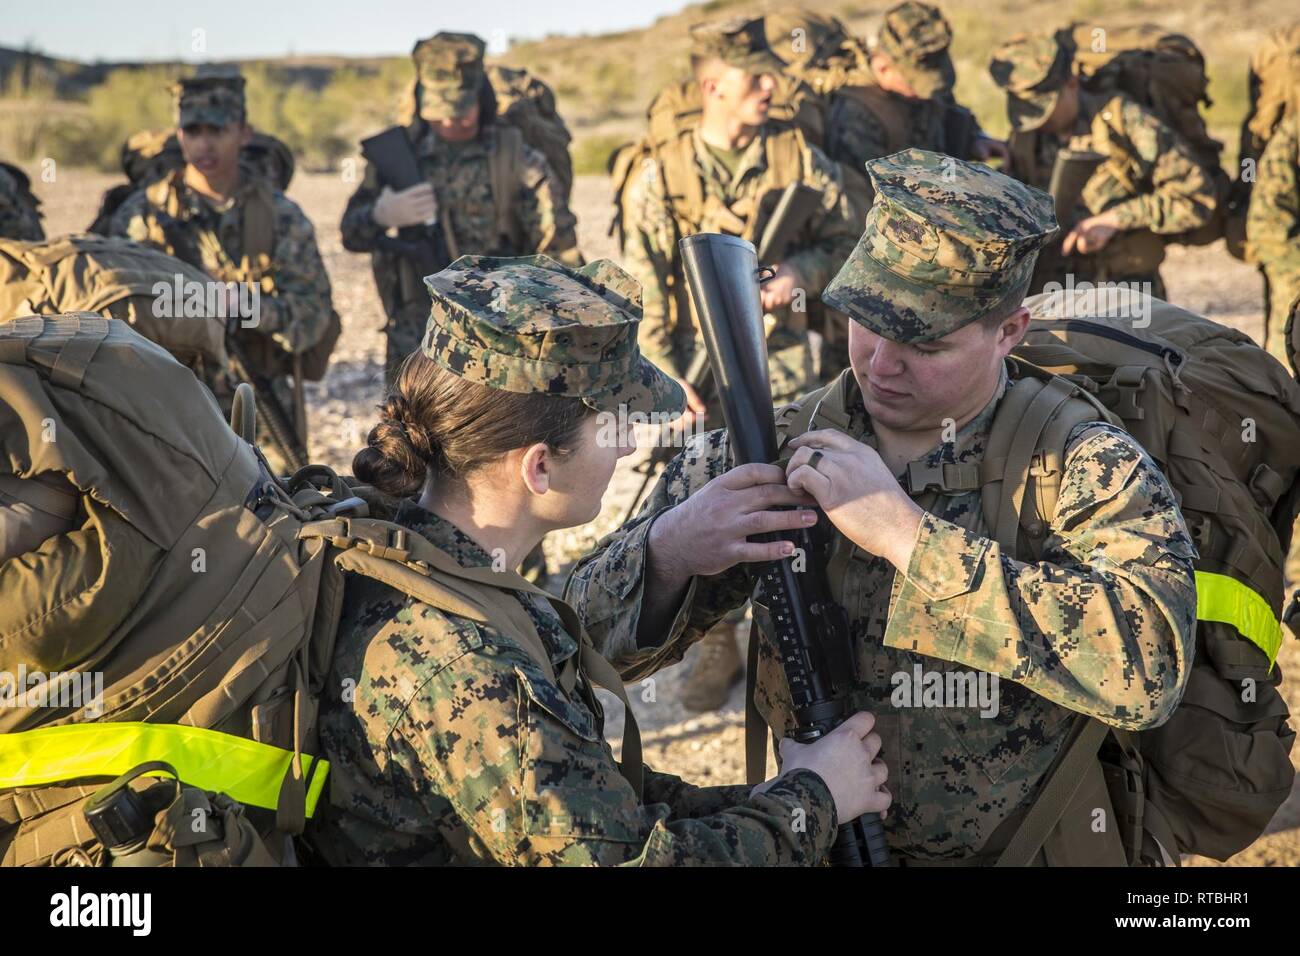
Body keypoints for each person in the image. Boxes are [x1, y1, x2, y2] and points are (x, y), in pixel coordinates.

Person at [567, 151, 1198, 865]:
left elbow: (1150, 674)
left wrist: (911, 541)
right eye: (867, 321)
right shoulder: (765, 445)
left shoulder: (1079, 461)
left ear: (1009, 332)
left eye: (924, 341)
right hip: (822, 844)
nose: (879, 363)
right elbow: (565, 644)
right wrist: (669, 552)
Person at [306, 254, 889, 866]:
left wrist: (774, 798)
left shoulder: (416, 552)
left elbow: (589, 799)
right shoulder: (465, 663)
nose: (632, 444)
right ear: (539, 466)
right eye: (613, 428)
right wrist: (816, 797)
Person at [621, 15, 860, 710]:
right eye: (754, 78)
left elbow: (852, 237)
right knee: (705, 512)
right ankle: (716, 646)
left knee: (790, 512)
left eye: (771, 74)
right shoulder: (658, 175)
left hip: (783, 373)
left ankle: (789, 651)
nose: (769, 87)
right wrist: (668, 379)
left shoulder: (799, 158)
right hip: (697, 380)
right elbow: (644, 294)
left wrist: (800, 274)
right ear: (710, 86)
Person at [109, 66, 336, 474]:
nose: (204, 144)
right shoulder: (144, 216)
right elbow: (110, 312)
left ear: (244, 133)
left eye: (218, 131)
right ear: (179, 135)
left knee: (283, 512)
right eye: (192, 131)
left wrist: (248, 306)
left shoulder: (280, 217)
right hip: (167, 401)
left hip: (257, 402)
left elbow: (312, 318)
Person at [341, 32, 581, 387]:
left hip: (497, 342)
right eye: (440, 114)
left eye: (461, 112)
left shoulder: (517, 159)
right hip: (415, 342)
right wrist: (381, 216)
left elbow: (559, 255)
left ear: (481, 99)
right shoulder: (400, 152)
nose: (451, 123)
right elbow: (350, 233)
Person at [988, 32, 1217, 298]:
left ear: (1071, 84)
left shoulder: (1122, 119)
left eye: (1044, 108)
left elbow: (1195, 197)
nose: (1037, 121)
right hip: (1048, 291)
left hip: (1125, 290)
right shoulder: (1027, 133)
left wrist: (1114, 220)